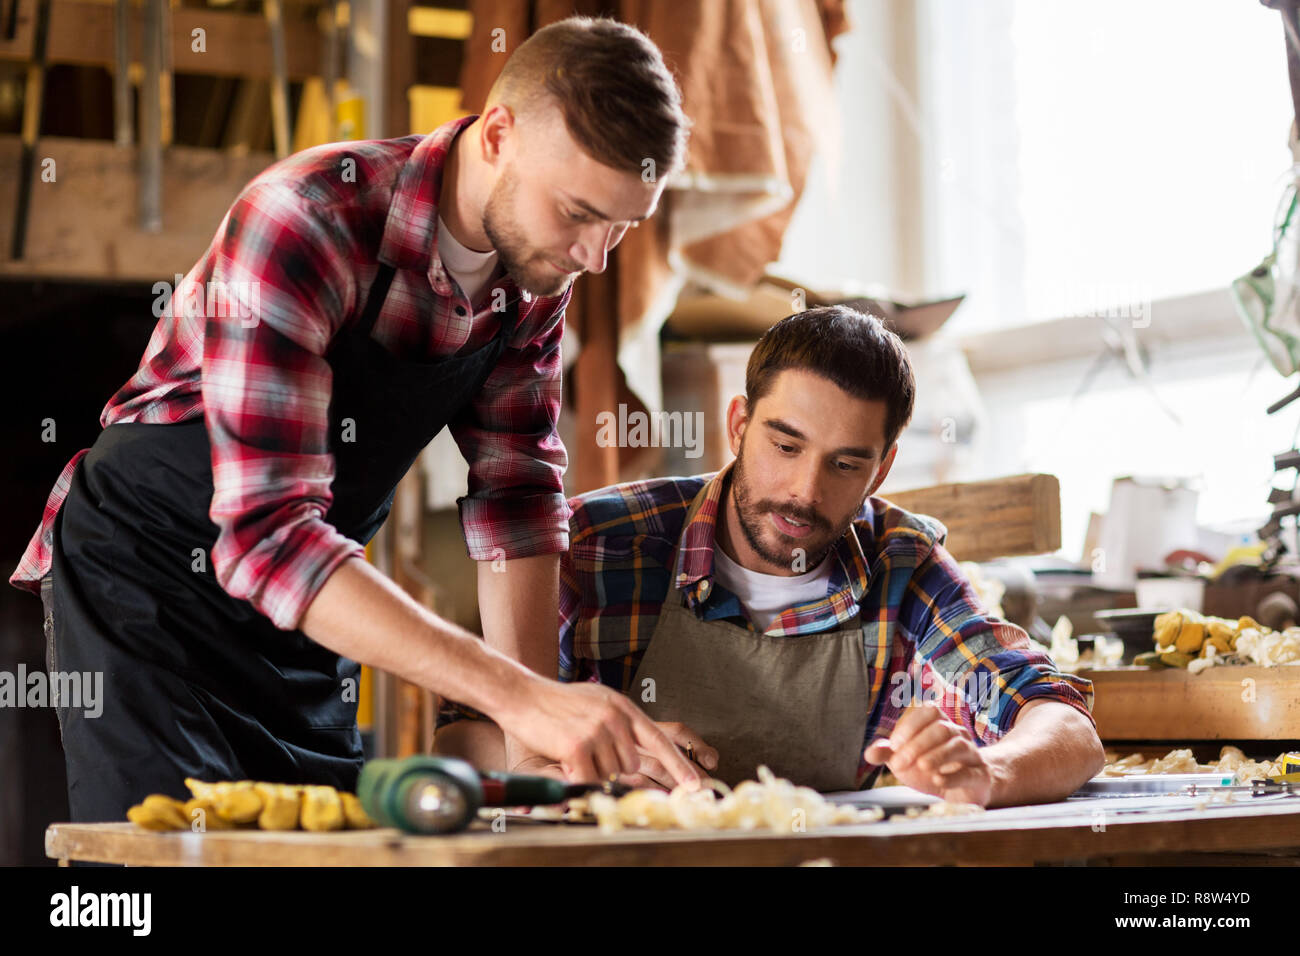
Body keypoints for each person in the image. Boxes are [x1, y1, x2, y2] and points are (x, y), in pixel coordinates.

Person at [11, 15, 702, 823]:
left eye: (622, 225)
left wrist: (537, 749)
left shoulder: (536, 269)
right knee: (179, 855)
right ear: (499, 136)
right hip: (151, 588)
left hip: (310, 606)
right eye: (579, 213)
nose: (596, 256)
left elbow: (516, 501)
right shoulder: (304, 218)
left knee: (329, 846)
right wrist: (521, 697)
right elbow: (268, 536)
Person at [438, 306, 1104, 806]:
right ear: (739, 425)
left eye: (845, 464)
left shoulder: (904, 569)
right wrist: (578, 765)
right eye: (785, 446)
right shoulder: (596, 545)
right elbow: (462, 739)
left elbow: (1063, 724)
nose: (804, 492)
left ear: (881, 470)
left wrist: (988, 772)